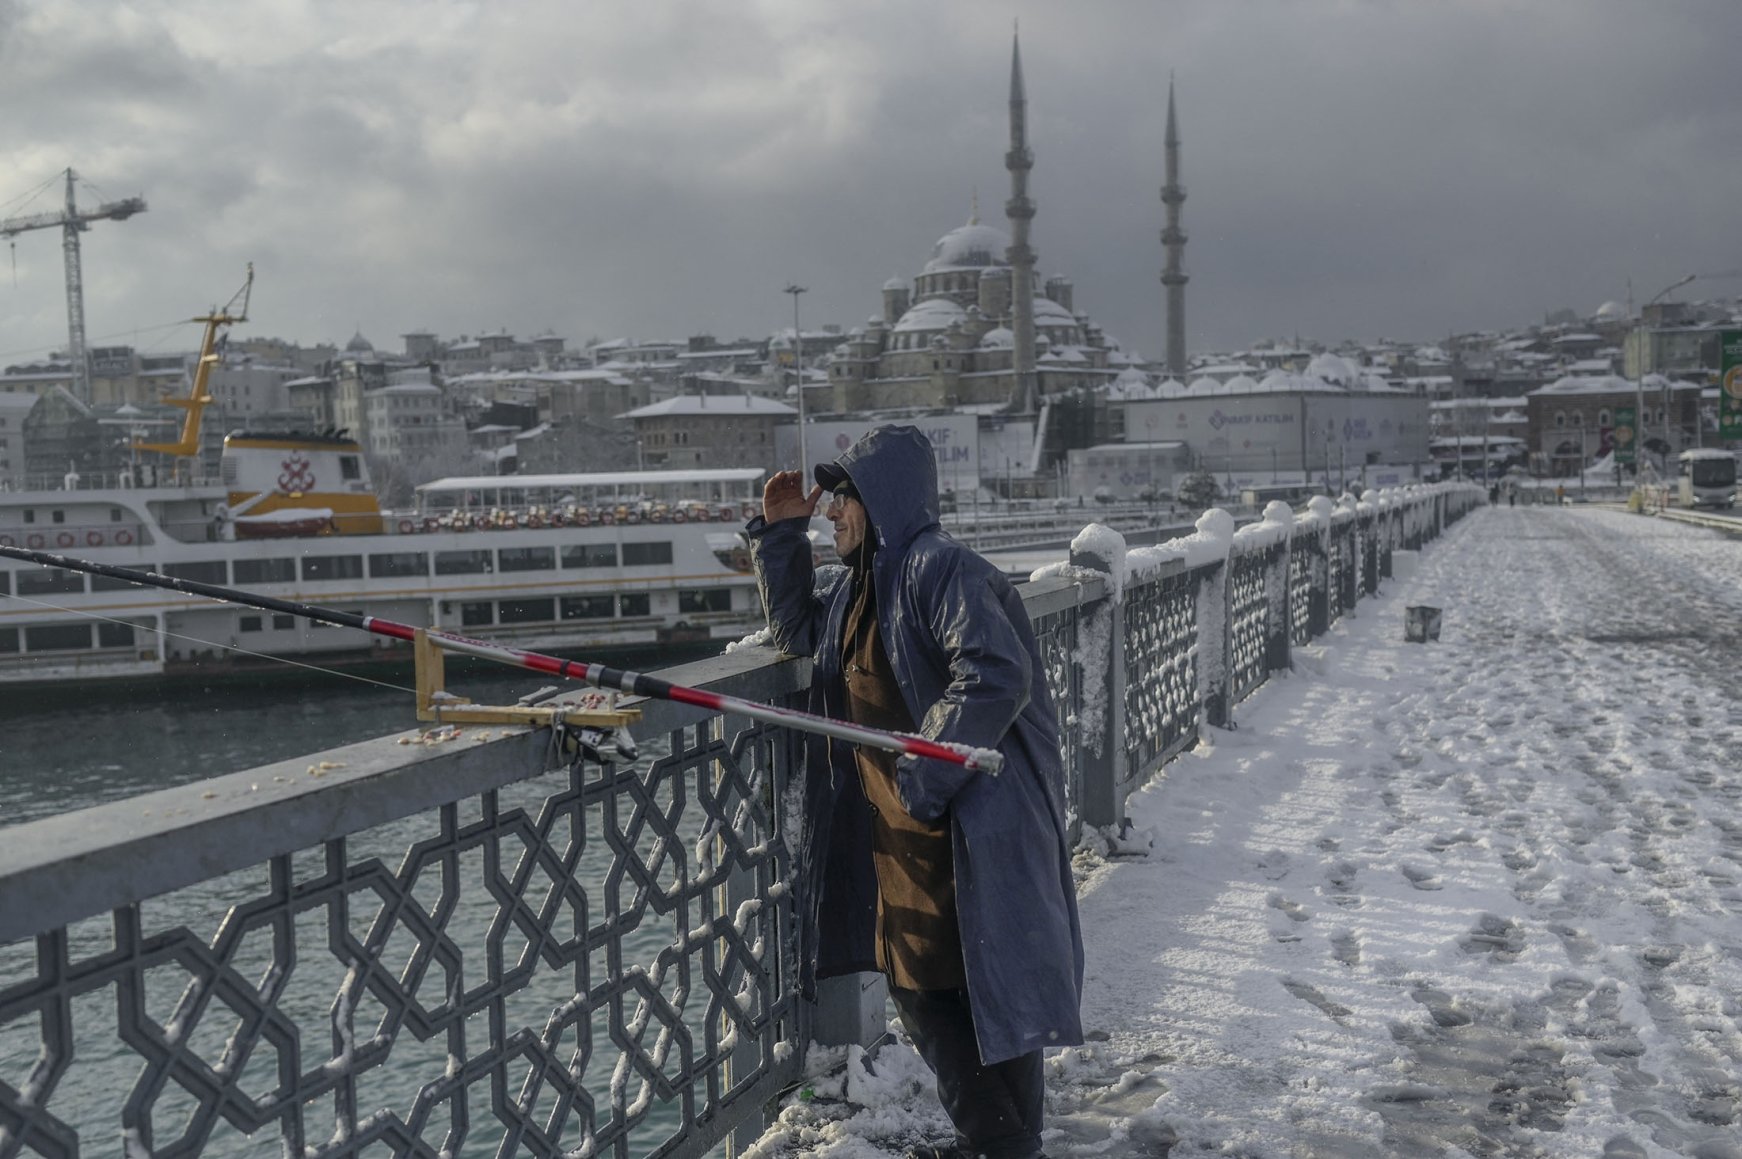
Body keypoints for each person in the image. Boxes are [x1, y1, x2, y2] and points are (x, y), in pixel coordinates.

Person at [748, 425, 1082, 1159]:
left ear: (886, 499)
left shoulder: (941, 568)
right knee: (967, 994)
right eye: (831, 498)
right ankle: (1005, 1143)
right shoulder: (857, 590)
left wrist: (925, 776)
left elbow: (994, 669)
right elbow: (800, 633)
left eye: (845, 497)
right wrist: (779, 537)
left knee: (942, 994)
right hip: (906, 836)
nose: (832, 510)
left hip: (962, 831)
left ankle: (1003, 1145)